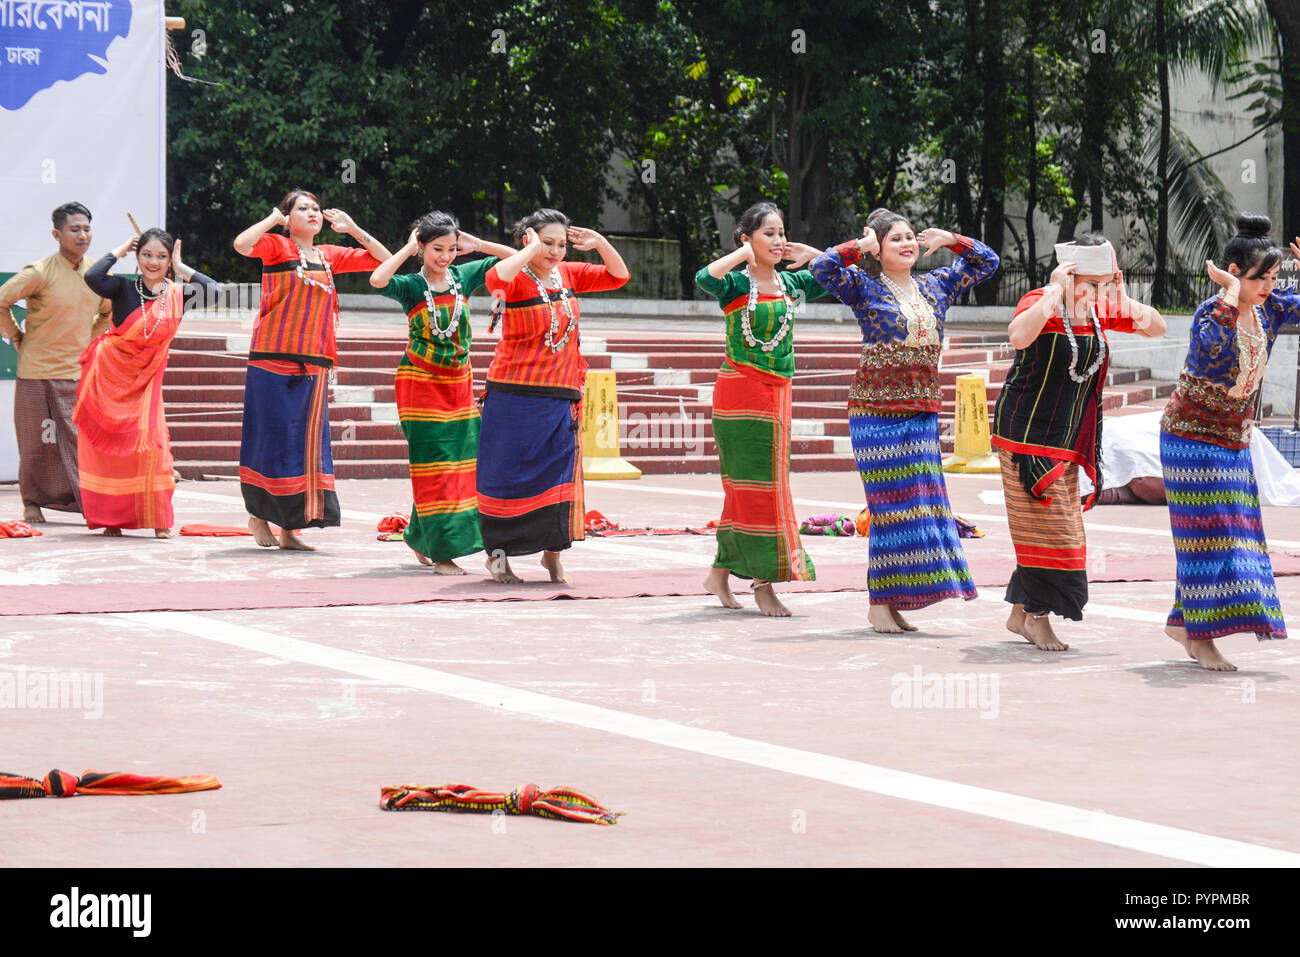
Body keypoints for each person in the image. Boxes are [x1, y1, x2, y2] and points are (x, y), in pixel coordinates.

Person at [811, 208, 999, 633]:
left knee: (919, 509)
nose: (908, 243)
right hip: (874, 414)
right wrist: (859, 247)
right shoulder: (862, 285)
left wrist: (952, 238)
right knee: (889, 509)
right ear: (879, 248)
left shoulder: (938, 285)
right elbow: (823, 267)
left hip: (921, 414)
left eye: (911, 236)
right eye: (895, 239)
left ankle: (894, 600)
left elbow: (987, 262)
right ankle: (879, 602)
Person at [992, 236, 1166, 651]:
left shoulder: (1102, 309)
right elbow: (1018, 337)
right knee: (1054, 531)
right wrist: (1054, 291)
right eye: (1092, 283)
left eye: (1106, 282)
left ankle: (1021, 614)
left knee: (1055, 526)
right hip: (1026, 432)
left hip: (1069, 436)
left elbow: (1157, 327)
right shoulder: (1042, 301)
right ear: (1069, 275)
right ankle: (1036, 617)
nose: (1099, 291)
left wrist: (1122, 296)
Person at [1159, 213, 1300, 671]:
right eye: (1263, 278)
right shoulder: (1210, 314)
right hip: (1190, 439)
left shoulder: (1271, 310)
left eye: (1276, 278)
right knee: (1209, 536)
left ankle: (1184, 624)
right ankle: (1201, 637)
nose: (1270, 287)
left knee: (1233, 534)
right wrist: (1228, 297)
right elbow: (1213, 347)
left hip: (1235, 442)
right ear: (1236, 274)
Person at [232, 190, 391, 550]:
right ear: (288, 218)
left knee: (303, 448)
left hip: (315, 362)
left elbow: (384, 260)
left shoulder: (329, 255)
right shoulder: (276, 246)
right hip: (273, 359)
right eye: (302, 208)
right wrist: (274, 219)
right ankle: (259, 516)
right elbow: (242, 244)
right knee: (272, 441)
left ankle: (291, 529)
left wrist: (353, 229)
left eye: (316, 208)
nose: (312, 213)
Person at [478, 208, 629, 583]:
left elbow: (619, 276)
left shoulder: (570, 274)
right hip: (514, 394)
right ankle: (498, 557)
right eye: (548, 243)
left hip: (560, 393)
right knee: (507, 477)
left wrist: (602, 243)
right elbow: (496, 275)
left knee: (558, 478)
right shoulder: (514, 278)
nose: (556, 251)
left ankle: (553, 555)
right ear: (529, 240)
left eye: (562, 244)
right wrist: (529, 251)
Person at [695, 201, 829, 617]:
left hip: (777, 396)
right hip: (739, 395)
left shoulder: (794, 284)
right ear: (748, 237)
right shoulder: (735, 284)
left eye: (781, 232)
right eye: (768, 233)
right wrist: (743, 255)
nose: (778, 240)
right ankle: (762, 583)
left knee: (761, 488)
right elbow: (703, 277)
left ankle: (720, 571)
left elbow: (842, 275)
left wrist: (810, 253)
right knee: (751, 488)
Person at [369, 212, 514, 573]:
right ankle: (442, 554)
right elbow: (377, 279)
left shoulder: (463, 277)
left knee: (460, 466)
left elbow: (513, 260)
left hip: (459, 386)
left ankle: (420, 535)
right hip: (420, 385)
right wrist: (407, 248)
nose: (446, 256)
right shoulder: (411, 286)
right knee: (432, 466)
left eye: (451, 248)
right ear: (421, 247)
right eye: (437, 249)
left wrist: (477, 245)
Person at [77, 229, 219, 537]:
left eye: (161, 256)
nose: (153, 262)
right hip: (109, 379)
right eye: (146, 255)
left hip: (147, 384)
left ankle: (158, 519)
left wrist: (182, 269)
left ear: (169, 260)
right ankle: (112, 519)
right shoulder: (122, 288)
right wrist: (120, 249)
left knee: (151, 449)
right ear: (137, 257)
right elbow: (92, 276)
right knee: (112, 453)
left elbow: (216, 290)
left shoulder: (179, 295)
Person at [0, 202, 110, 522]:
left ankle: (84, 500)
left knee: (80, 444)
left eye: (87, 229)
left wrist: (90, 342)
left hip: (78, 372)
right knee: (36, 444)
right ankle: (32, 502)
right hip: (36, 371)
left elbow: (109, 311)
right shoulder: (39, 271)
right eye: (74, 229)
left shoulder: (97, 274)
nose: (82, 235)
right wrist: (15, 335)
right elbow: (2, 300)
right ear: (57, 234)